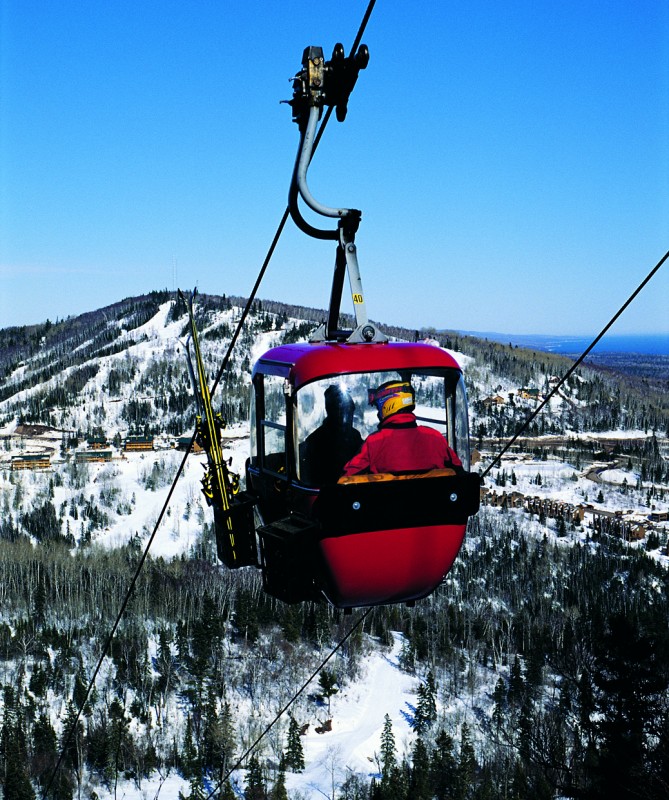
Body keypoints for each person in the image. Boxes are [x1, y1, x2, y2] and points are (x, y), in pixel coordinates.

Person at [342, 380, 463, 476]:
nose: (378, 413)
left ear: (387, 404)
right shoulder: (435, 437)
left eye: (378, 407)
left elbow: (347, 478)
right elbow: (459, 471)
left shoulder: (374, 442)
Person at [300, 385, 363, 484]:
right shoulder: (316, 442)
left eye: (350, 409)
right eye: (342, 409)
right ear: (332, 411)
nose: (348, 414)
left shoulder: (354, 436)